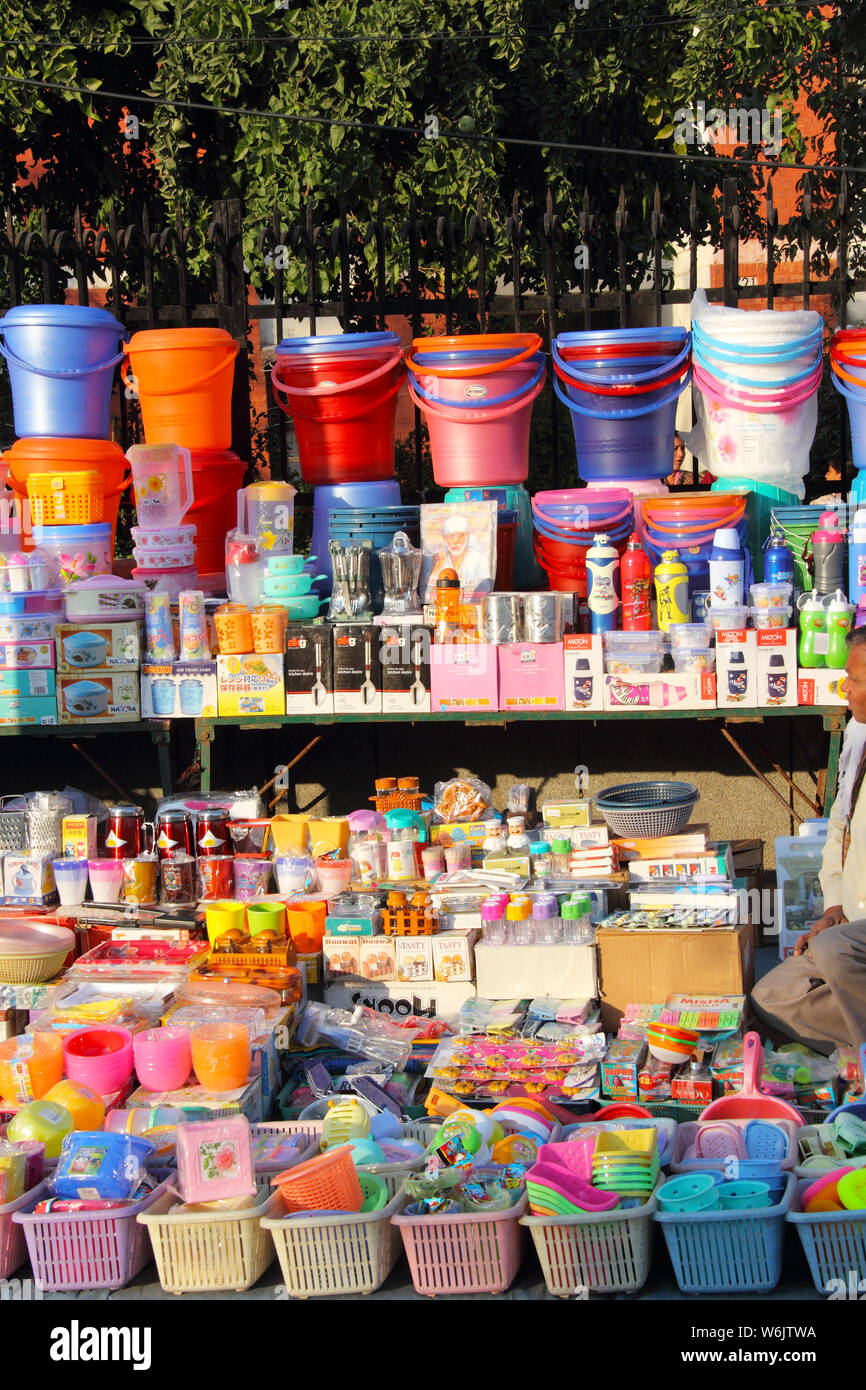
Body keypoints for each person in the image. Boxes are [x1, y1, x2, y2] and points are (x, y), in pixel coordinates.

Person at [751, 628, 866, 1051]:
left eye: (854, 680)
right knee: (772, 995)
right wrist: (835, 906)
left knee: (835, 952)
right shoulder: (858, 736)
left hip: (856, 943)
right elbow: (839, 829)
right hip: (855, 933)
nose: (845, 690)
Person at [424, 513, 493, 602]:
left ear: (467, 536)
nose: (456, 541)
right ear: (444, 538)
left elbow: (484, 595)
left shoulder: (480, 561)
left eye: (460, 535)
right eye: (451, 536)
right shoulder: (435, 561)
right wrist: (437, 568)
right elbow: (428, 598)